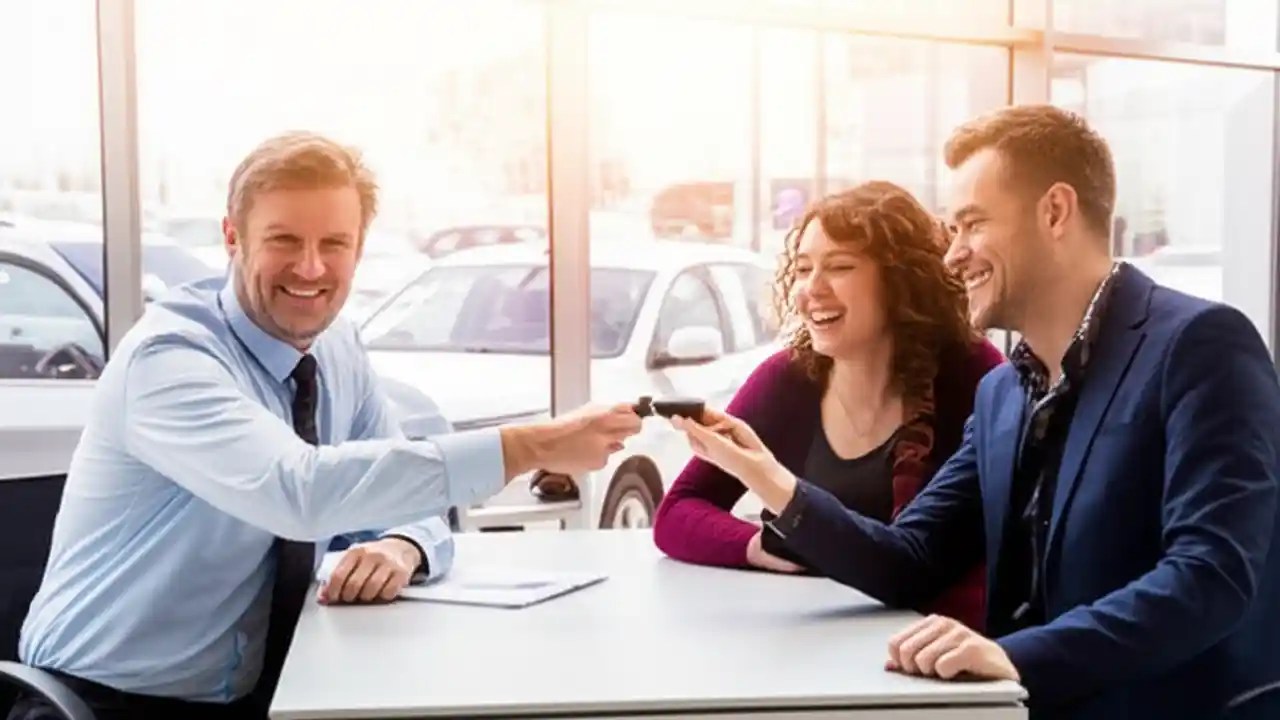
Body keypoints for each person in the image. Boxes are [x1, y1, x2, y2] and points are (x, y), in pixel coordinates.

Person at [670, 105, 1280, 720]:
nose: (952, 255)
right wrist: (770, 481)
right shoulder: (1002, 395)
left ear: (1055, 212)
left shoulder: (1200, 345)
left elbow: (1211, 576)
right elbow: (909, 561)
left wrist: (1018, 658)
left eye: (971, 224)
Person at [9, 131, 641, 720]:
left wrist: (405, 545)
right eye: (283, 240)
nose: (310, 268)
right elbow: (299, 493)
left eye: (334, 244)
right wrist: (535, 444)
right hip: (101, 701)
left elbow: (397, 482)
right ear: (233, 237)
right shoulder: (169, 359)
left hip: (266, 693)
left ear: (359, 249)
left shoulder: (335, 347)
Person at [652, 181, 1003, 630]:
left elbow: (922, 565)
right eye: (801, 269)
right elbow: (677, 512)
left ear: (902, 282)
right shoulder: (788, 379)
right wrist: (762, 548)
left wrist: (771, 484)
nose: (810, 289)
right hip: (814, 643)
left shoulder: (974, 376)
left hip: (933, 648)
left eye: (839, 267)